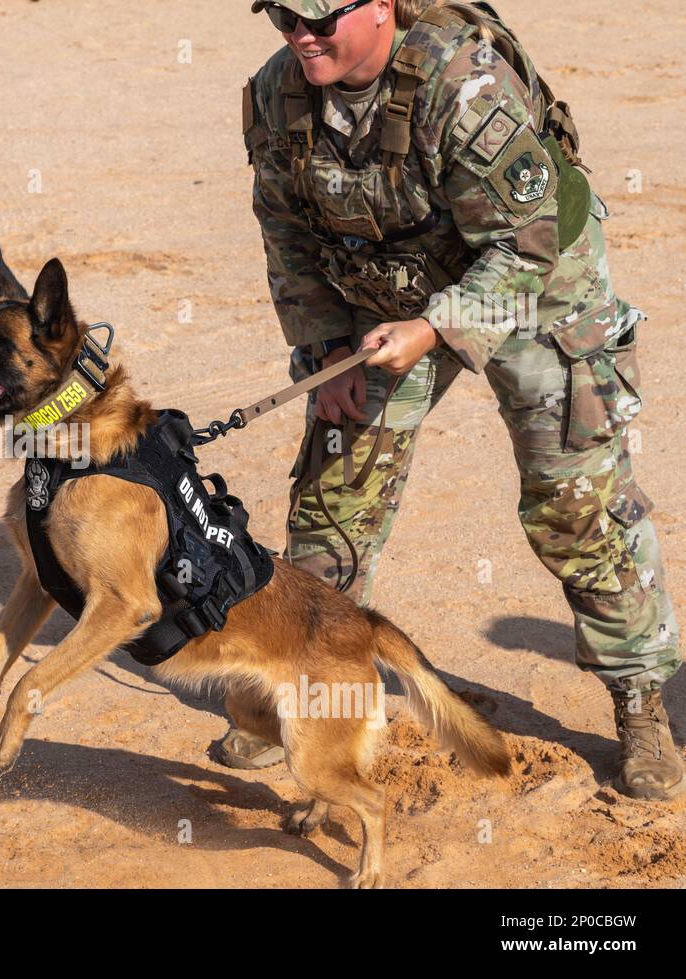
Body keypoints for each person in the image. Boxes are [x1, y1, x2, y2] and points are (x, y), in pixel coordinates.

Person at [213, 0, 682, 800]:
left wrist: (438, 327)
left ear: (382, 9)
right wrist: (325, 343)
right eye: (284, 14)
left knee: (575, 498)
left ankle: (640, 699)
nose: (301, 34)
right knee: (335, 493)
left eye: (321, 18)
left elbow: (529, 236)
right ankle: (309, 692)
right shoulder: (274, 94)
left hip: (537, 282)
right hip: (388, 287)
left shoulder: (461, 82)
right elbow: (284, 225)